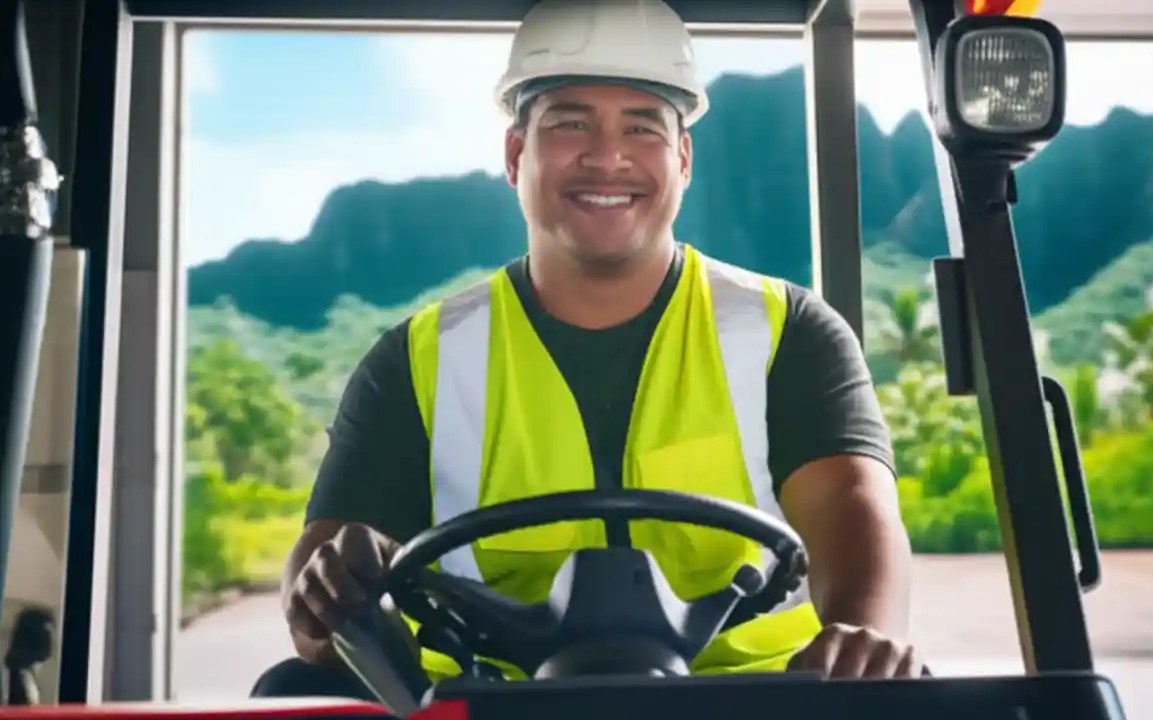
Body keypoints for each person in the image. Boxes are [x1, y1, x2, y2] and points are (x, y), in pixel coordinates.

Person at [252, 0, 921, 699]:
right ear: (517, 154)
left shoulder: (788, 331)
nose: (607, 156)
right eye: (571, 123)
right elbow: (320, 595)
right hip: (493, 707)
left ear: (683, 159)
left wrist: (864, 636)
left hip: (748, 702)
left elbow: (852, 503)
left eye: (642, 126)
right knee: (291, 686)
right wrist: (333, 588)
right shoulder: (415, 362)